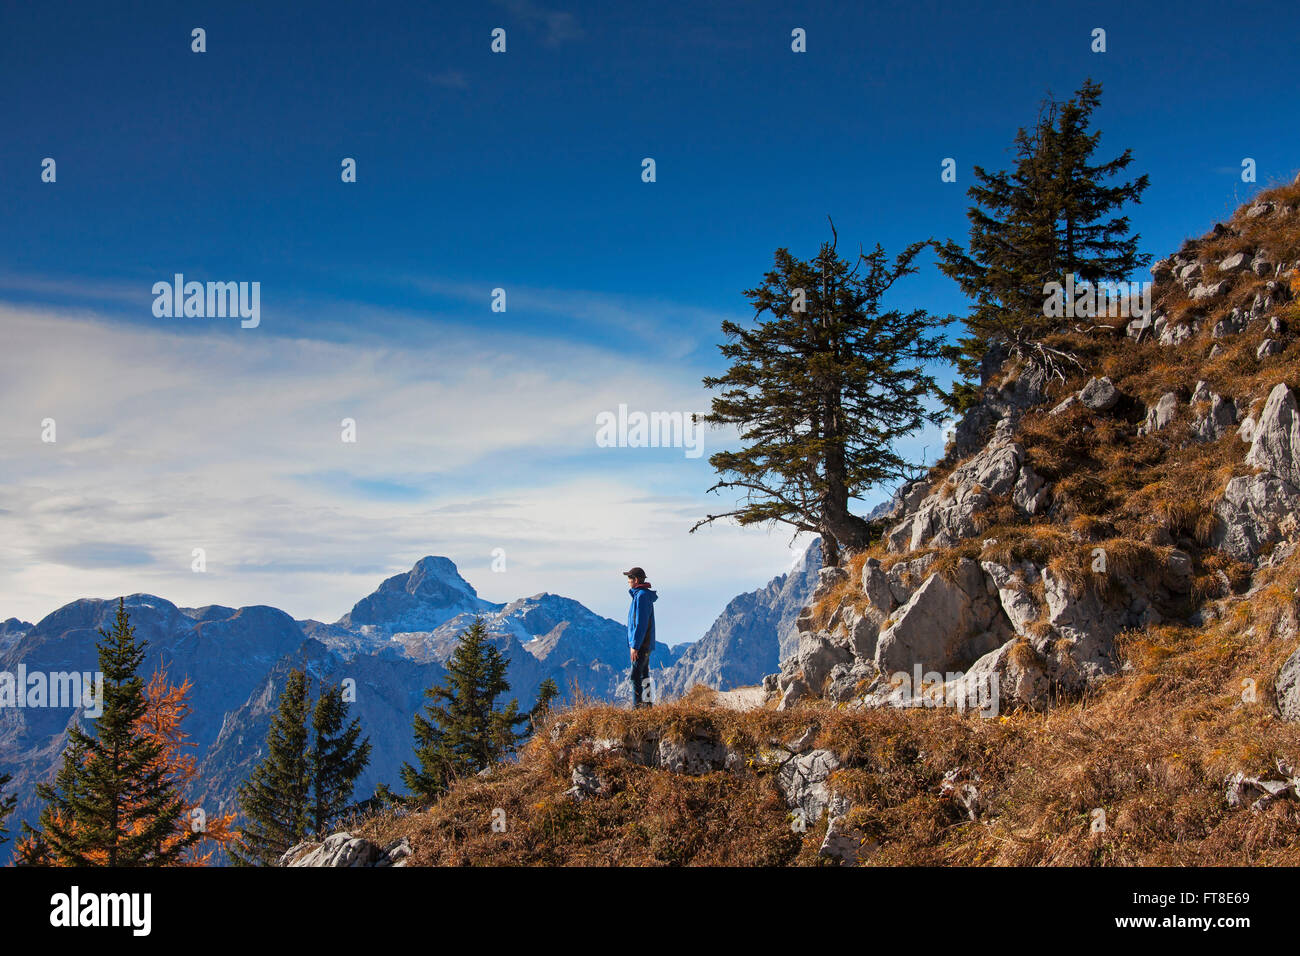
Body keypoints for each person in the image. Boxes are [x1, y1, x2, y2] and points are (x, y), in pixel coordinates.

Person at [623, 567, 658, 708]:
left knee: (635, 676)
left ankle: (637, 708)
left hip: (641, 644)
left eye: (629, 579)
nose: (628, 581)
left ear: (636, 580)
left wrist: (635, 646)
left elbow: (641, 623)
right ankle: (648, 706)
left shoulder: (642, 596)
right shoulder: (640, 595)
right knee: (644, 675)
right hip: (644, 644)